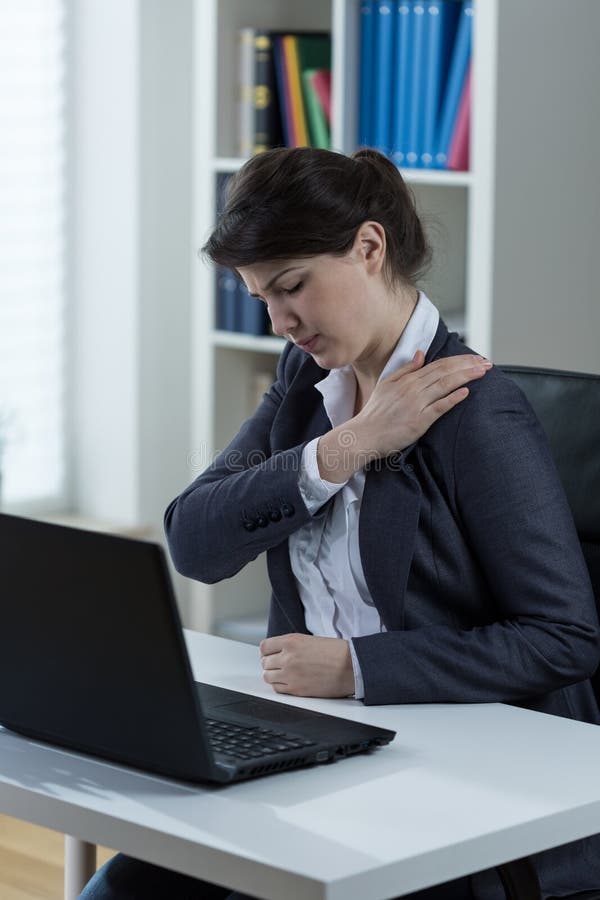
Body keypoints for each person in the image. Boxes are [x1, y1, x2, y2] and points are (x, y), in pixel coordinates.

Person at [81, 147, 600, 900]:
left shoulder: (477, 412)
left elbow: (566, 638)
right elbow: (194, 541)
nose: (281, 322)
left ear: (369, 247)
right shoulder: (306, 386)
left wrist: (356, 666)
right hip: (322, 752)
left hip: (464, 787)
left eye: (292, 287)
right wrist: (346, 446)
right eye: (262, 298)